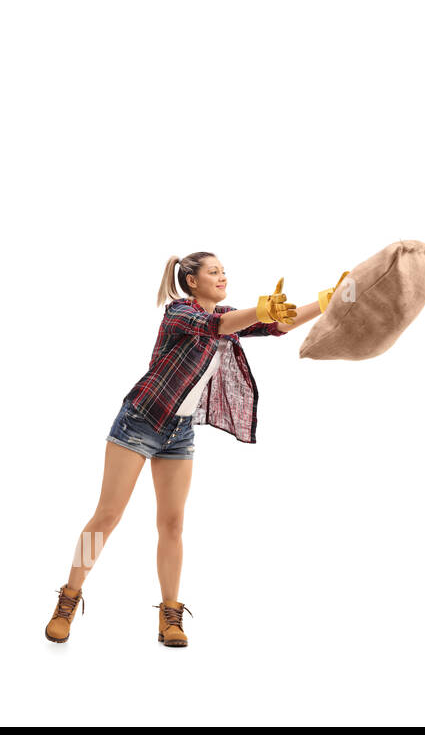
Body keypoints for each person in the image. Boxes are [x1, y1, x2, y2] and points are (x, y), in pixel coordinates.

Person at [43, 252, 347, 648]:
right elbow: (216, 325)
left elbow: (275, 325)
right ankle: (68, 598)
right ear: (191, 281)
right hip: (139, 422)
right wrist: (259, 309)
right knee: (107, 515)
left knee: (172, 525)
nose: (223, 276)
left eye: (224, 271)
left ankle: (170, 615)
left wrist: (325, 302)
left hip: (179, 433)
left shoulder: (226, 314)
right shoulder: (179, 313)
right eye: (214, 271)